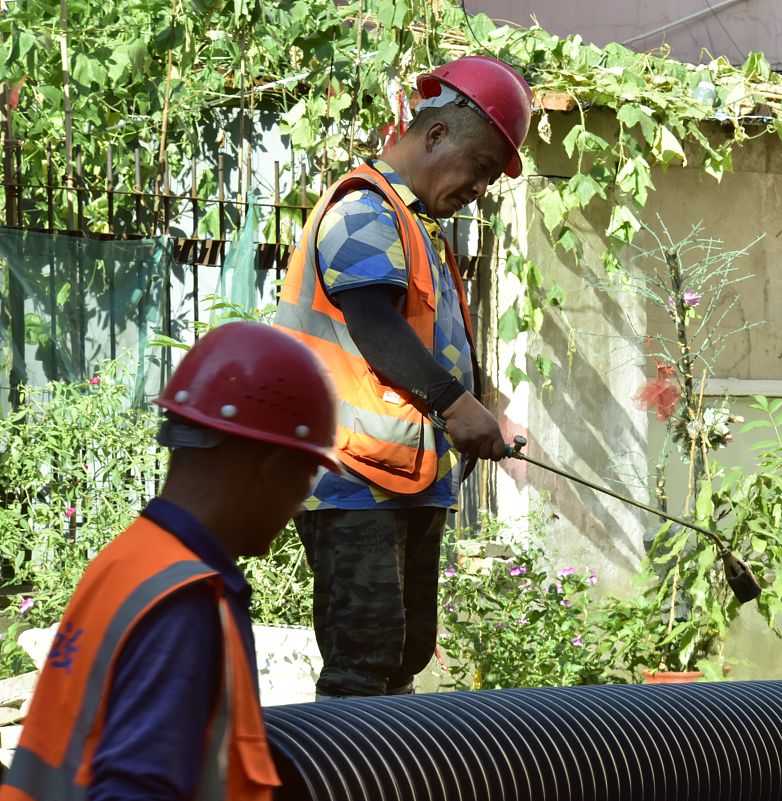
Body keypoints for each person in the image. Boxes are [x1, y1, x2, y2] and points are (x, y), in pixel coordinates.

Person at [274, 55, 532, 698]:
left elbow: (419, 344)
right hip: (353, 474)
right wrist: (456, 405)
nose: (480, 188)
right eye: (479, 167)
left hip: (402, 475)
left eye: (490, 178)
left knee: (404, 655)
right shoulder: (365, 208)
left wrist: (478, 409)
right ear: (437, 134)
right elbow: (373, 323)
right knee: (364, 660)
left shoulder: (416, 225)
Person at [0, 321, 340, 801]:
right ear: (272, 469)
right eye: (305, 481)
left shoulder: (128, 562)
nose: (300, 507)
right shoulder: (185, 601)